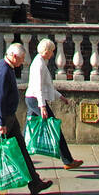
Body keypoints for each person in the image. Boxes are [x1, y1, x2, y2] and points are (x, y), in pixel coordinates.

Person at [0, 42, 52, 195]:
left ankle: (34, 182)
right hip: (2, 117)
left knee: (21, 148)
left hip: (8, 117)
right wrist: (1, 123)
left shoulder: (3, 66)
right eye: (21, 58)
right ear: (13, 56)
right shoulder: (4, 71)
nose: (23, 61)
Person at [25, 37, 83, 169]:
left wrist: (60, 97)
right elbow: (39, 87)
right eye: (52, 51)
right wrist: (42, 106)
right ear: (47, 51)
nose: (52, 54)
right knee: (54, 129)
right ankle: (68, 160)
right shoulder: (39, 64)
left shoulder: (39, 61)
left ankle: (21, 158)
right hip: (35, 100)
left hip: (32, 98)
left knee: (28, 130)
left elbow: (47, 87)